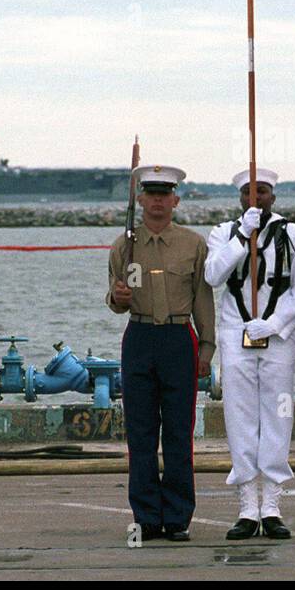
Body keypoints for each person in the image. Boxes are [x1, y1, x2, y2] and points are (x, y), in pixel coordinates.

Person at [105, 164, 216, 542]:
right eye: (150, 194)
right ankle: (147, 516)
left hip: (177, 338)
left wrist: (207, 345)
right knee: (140, 432)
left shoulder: (192, 244)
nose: (157, 202)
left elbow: (203, 297)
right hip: (139, 337)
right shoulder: (125, 244)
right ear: (139, 200)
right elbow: (116, 296)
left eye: (163, 195)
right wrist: (117, 298)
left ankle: (178, 517)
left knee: (179, 431)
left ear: (176, 200)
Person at [204, 167, 295, 540]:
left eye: (262, 192)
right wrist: (242, 236)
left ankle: (273, 505)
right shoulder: (223, 233)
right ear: (239, 198)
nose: (256, 199)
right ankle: (248, 504)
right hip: (237, 335)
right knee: (240, 416)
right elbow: (213, 275)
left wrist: (277, 323)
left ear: (273, 197)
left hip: (276, 338)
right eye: (249, 193)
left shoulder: (291, 234)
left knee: (278, 414)